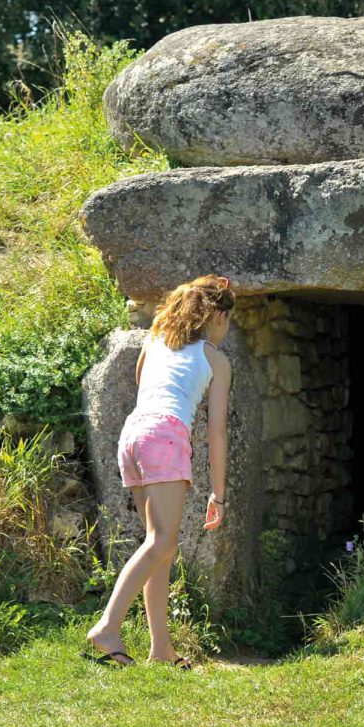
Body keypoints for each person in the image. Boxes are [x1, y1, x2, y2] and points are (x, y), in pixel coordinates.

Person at [82, 274, 235, 671]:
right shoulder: (216, 359)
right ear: (217, 316)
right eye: (228, 318)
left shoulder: (153, 342)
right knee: (162, 541)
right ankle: (108, 627)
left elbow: (142, 386)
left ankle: (161, 648)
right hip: (165, 436)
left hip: (133, 436)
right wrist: (218, 495)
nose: (228, 327)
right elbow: (216, 431)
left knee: (159, 547)